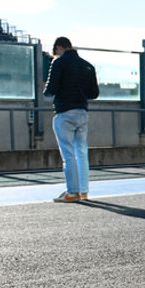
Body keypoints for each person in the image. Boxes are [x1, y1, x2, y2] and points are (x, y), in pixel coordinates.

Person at [44, 36, 98, 203]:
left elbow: (50, 89)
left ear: (59, 47)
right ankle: (83, 191)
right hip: (82, 112)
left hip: (65, 112)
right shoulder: (87, 65)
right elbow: (94, 93)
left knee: (68, 154)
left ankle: (72, 192)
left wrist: (50, 94)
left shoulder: (59, 62)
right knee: (82, 152)